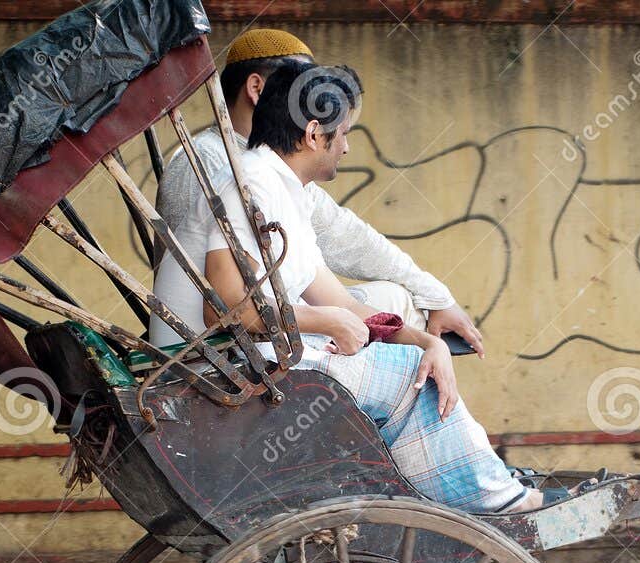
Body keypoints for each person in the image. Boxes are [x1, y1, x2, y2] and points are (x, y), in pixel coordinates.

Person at [157, 60, 540, 514]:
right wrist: (327, 321)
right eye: (343, 134)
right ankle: (494, 500)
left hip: (244, 359)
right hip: (214, 371)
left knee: (416, 360)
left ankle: (471, 488)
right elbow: (224, 310)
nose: (347, 147)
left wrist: (423, 341)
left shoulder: (284, 190)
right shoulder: (250, 185)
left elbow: (337, 298)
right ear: (314, 134)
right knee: (410, 381)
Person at [155, 28, 484, 349]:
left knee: (398, 304)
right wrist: (328, 322)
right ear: (257, 88)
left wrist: (435, 296)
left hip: (276, 322)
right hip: (228, 347)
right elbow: (225, 300)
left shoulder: (274, 170)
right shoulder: (223, 166)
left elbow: (347, 237)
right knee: (398, 314)